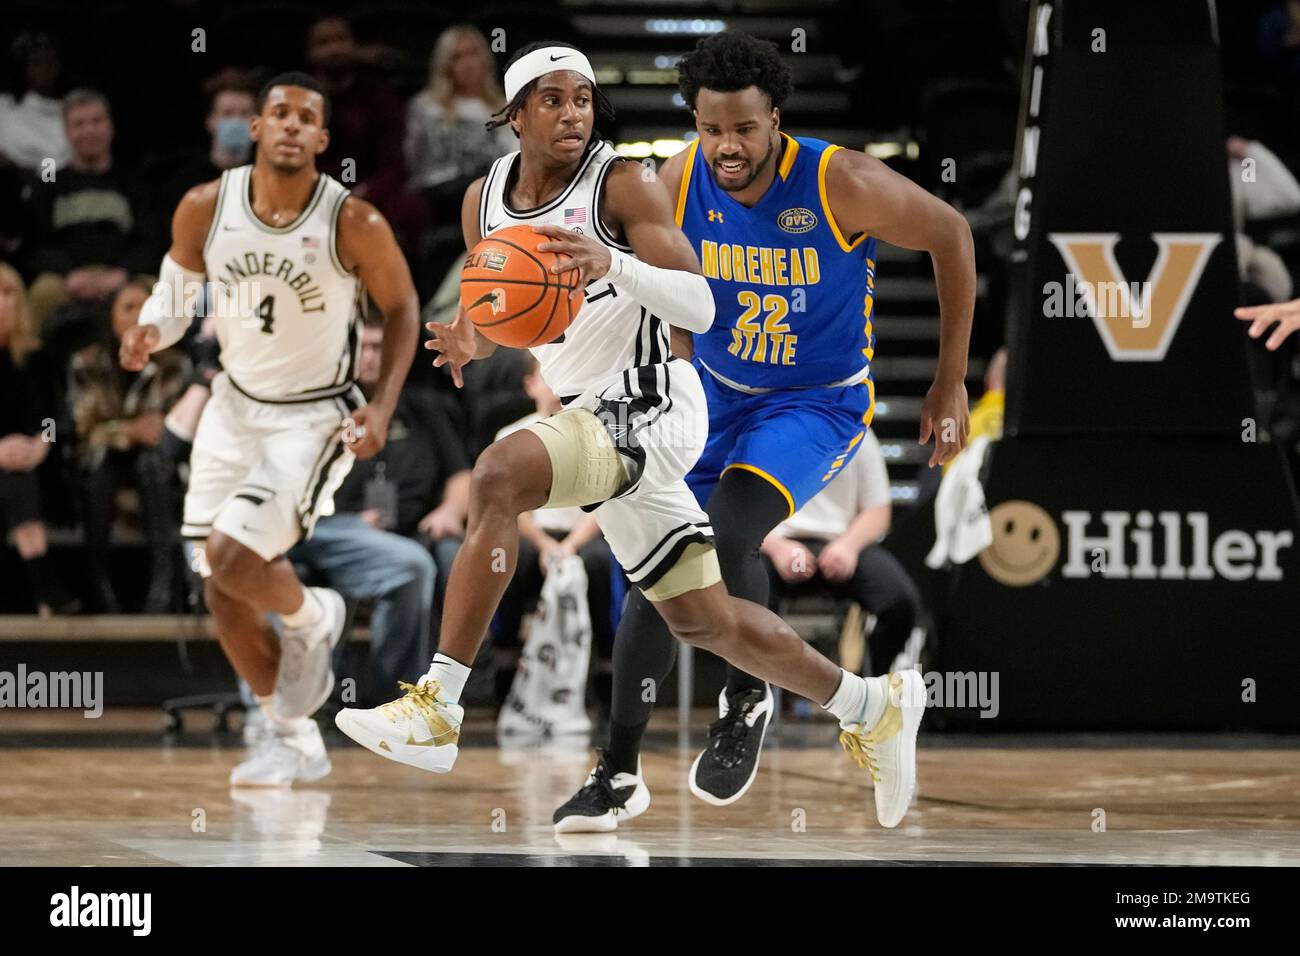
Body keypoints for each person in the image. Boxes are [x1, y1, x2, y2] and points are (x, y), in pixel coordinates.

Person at [334, 41, 926, 837]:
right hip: (588, 407)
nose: (574, 112)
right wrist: (476, 339)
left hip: (655, 399)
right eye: (552, 99)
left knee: (499, 472)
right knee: (702, 620)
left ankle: (439, 703)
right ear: (513, 116)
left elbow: (702, 307)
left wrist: (611, 263)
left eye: (582, 97)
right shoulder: (484, 199)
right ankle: (872, 705)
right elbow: (500, 290)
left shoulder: (624, 181)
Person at [555, 31, 974, 823]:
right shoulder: (677, 179)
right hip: (711, 392)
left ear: (774, 119)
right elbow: (659, 286)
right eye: (712, 129)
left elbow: (952, 233)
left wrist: (948, 381)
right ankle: (616, 771)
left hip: (813, 401)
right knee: (654, 566)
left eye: (744, 129)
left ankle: (747, 697)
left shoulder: (840, 179)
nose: (727, 146)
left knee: (723, 533)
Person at [118, 72, 419, 787]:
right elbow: (175, 298)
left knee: (231, 553)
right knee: (219, 585)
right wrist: (149, 332)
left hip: (314, 415)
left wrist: (380, 408)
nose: (289, 124)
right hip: (233, 406)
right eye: (277, 112)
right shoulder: (203, 207)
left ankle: (315, 614)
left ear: (321, 138)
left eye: (305, 117)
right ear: (254, 128)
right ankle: (290, 733)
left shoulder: (353, 220)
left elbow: (402, 310)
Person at [494, 357, 614, 709]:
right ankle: (503, 662)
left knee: (603, 562)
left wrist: (571, 546)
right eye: (548, 377)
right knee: (509, 558)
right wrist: (545, 545)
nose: (557, 386)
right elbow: (508, 507)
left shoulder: (597, 434)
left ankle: (607, 669)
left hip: (582, 537)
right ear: (530, 385)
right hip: (535, 535)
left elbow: (606, 505)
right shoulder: (510, 436)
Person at [69, 279, 189, 613]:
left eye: (145, 307)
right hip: (103, 462)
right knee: (102, 472)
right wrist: (130, 431)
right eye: (128, 307)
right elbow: (83, 431)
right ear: (111, 317)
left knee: (151, 464)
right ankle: (97, 586)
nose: (137, 316)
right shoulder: (86, 364)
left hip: (160, 464)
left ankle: (163, 586)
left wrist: (141, 431)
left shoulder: (174, 365)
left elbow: (173, 429)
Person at [762, 428, 921, 679]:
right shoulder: (766, 429)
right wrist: (776, 546)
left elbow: (878, 511)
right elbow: (739, 512)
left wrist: (849, 546)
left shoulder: (861, 434)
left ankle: (868, 686)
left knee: (899, 602)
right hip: (775, 544)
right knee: (745, 597)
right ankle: (755, 692)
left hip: (843, 543)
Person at [23, 89, 152, 333]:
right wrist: (69, 275)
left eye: (96, 121)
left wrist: (122, 274)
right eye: (79, 124)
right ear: (66, 132)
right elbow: (35, 246)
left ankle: (165, 366)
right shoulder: (48, 185)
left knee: (157, 290)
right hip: (65, 279)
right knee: (42, 292)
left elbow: (151, 243)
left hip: (123, 275)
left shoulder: (135, 182)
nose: (89, 130)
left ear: (110, 127)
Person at [0, 261, 76, 615]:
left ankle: (46, 588)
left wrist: (40, 445)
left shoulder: (37, 357)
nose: (0, 303)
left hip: (35, 466)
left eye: (7, 293)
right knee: (15, 480)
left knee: (20, 479)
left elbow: (51, 416)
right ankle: (46, 586)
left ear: (20, 302)